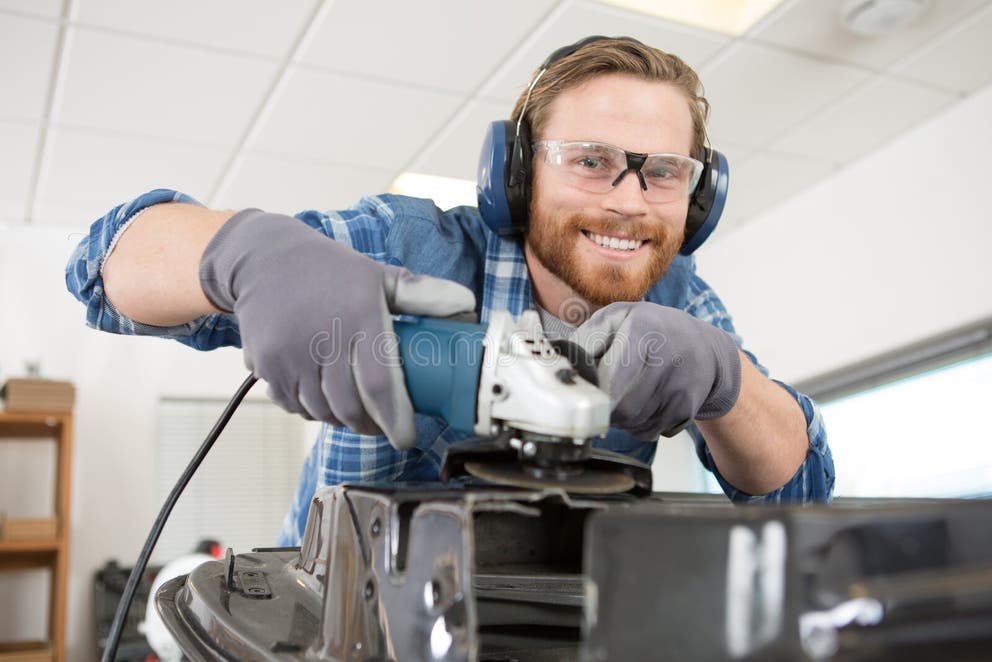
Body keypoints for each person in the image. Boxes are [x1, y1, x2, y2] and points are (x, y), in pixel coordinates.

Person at [66, 36, 834, 545]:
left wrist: (727, 384)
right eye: (590, 161)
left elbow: (800, 494)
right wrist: (244, 254)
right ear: (516, 175)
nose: (630, 201)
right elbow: (102, 267)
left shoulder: (681, 299)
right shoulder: (410, 246)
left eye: (663, 172)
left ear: (699, 200)